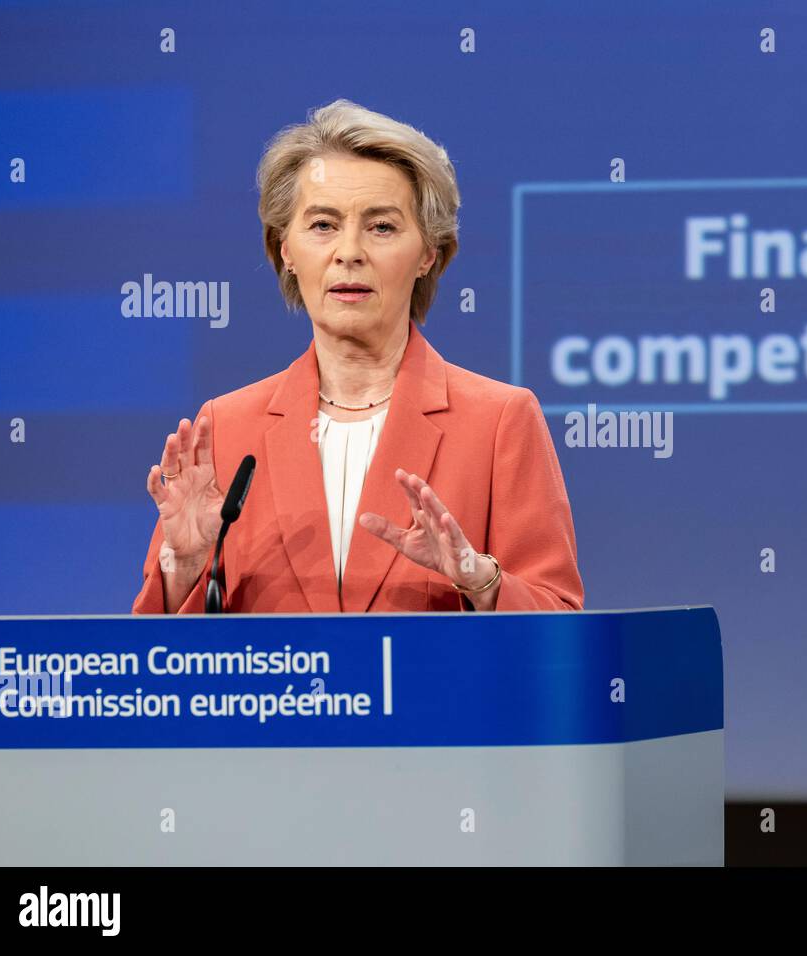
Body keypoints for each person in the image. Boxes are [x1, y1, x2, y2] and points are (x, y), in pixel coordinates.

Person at [132, 100, 583, 614]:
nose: (349, 251)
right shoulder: (228, 428)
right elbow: (161, 667)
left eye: (382, 227)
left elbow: (560, 627)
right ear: (285, 248)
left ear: (428, 253)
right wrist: (185, 563)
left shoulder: (500, 420)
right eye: (323, 225)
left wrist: (481, 582)